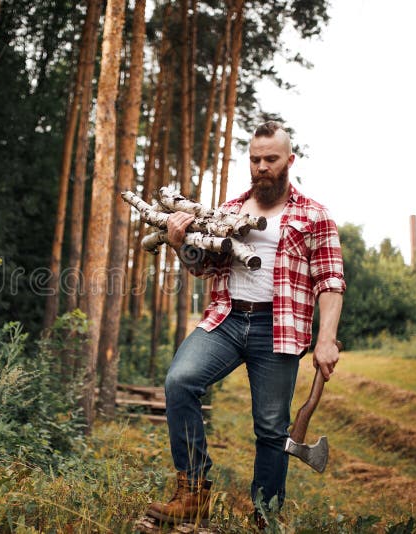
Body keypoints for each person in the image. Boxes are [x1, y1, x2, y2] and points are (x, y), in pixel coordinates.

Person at [145, 121, 345, 529]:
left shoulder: (314, 215)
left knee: (271, 428)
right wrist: (181, 243)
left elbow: (331, 281)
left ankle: (264, 517)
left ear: (289, 161)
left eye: (271, 159)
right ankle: (193, 492)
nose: (262, 167)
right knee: (180, 381)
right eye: (255, 159)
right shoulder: (230, 211)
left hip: (279, 327)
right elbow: (204, 269)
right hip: (227, 317)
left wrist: (325, 339)